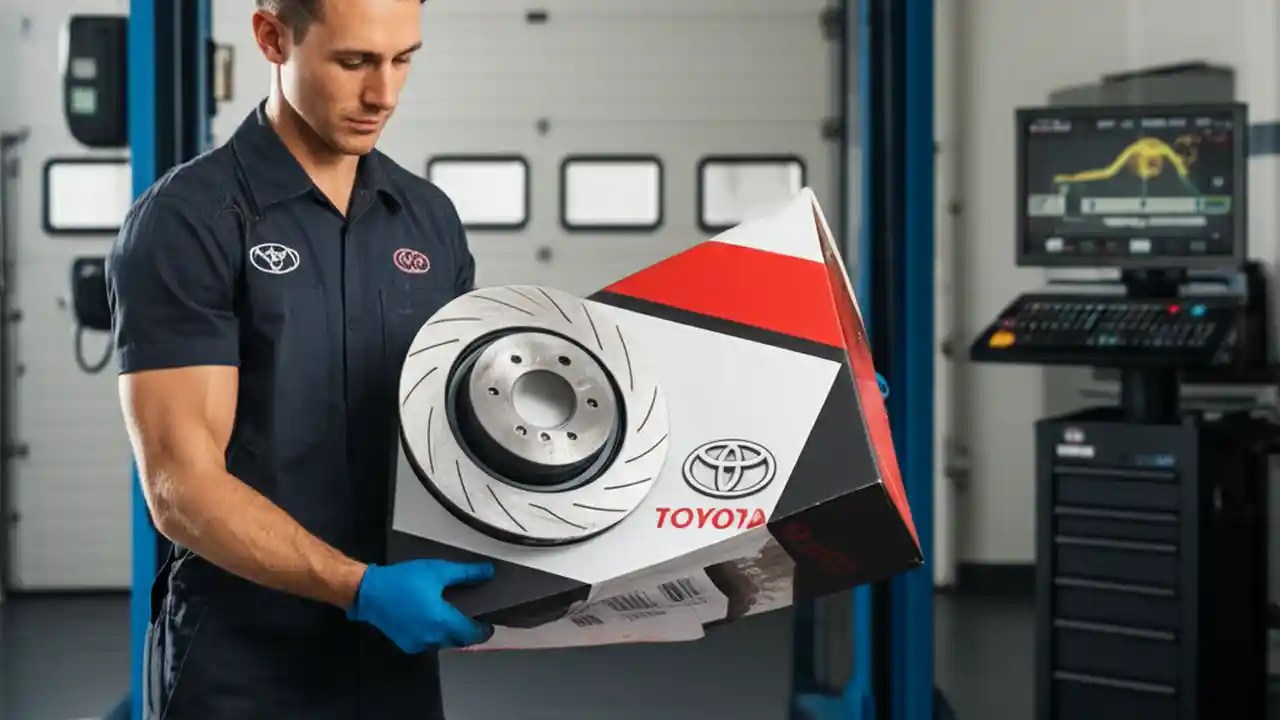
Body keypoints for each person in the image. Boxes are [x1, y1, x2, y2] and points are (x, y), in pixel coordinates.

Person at [106, 0, 497, 717]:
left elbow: (455, 436)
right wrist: (360, 588)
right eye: (354, 62)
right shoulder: (187, 220)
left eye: (402, 59)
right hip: (242, 666)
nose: (383, 94)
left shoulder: (428, 219)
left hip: (392, 659)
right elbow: (179, 487)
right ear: (271, 37)